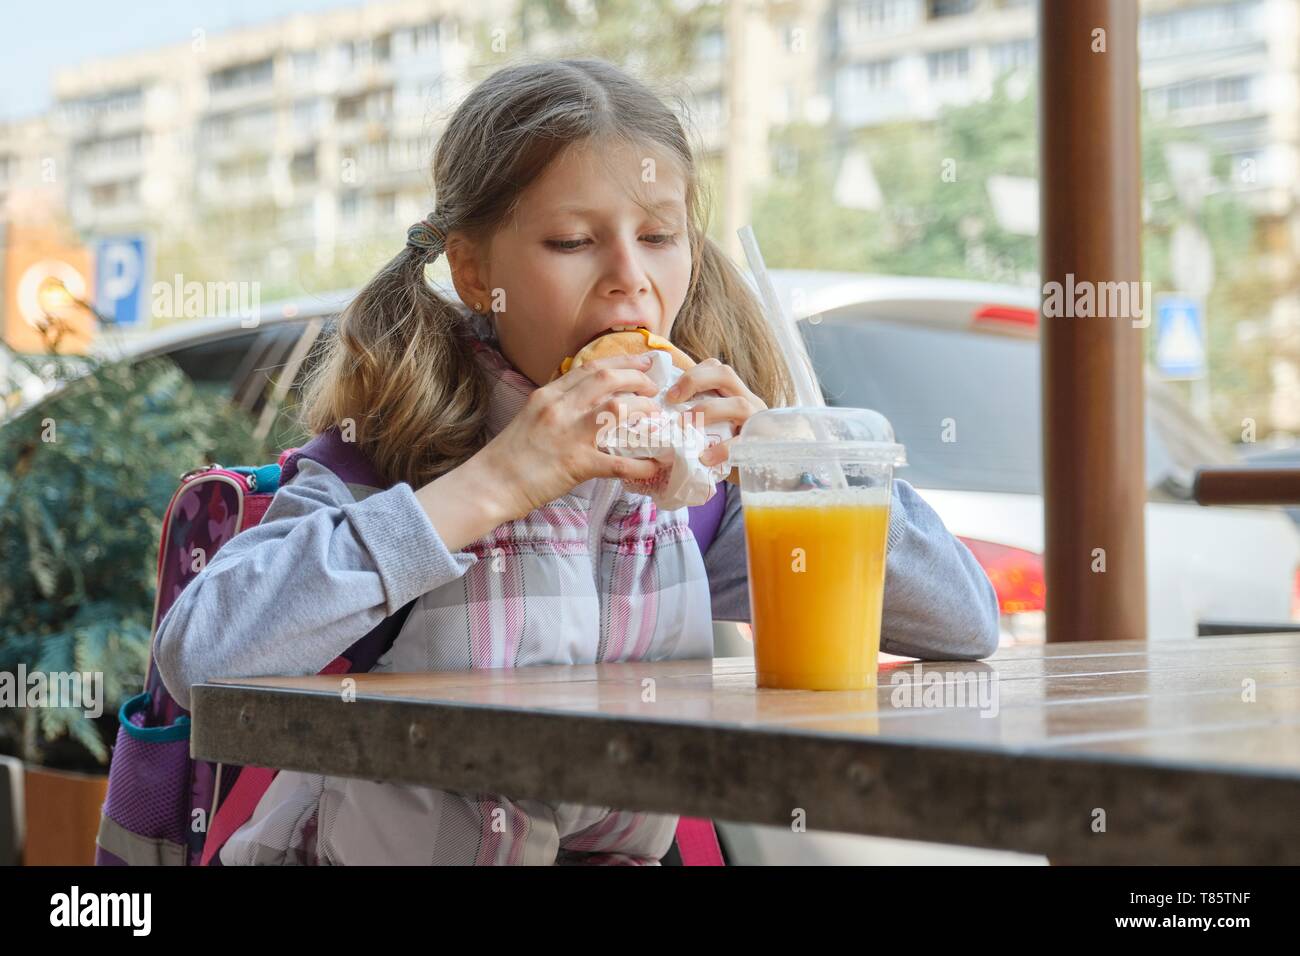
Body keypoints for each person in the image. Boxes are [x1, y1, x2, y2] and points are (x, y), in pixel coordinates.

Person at [154, 57, 1000, 865]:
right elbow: (199, 660)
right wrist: (497, 483)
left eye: (659, 236)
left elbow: (962, 622)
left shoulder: (694, 492)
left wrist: (800, 468)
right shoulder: (389, 460)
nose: (629, 280)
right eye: (571, 241)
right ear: (475, 267)